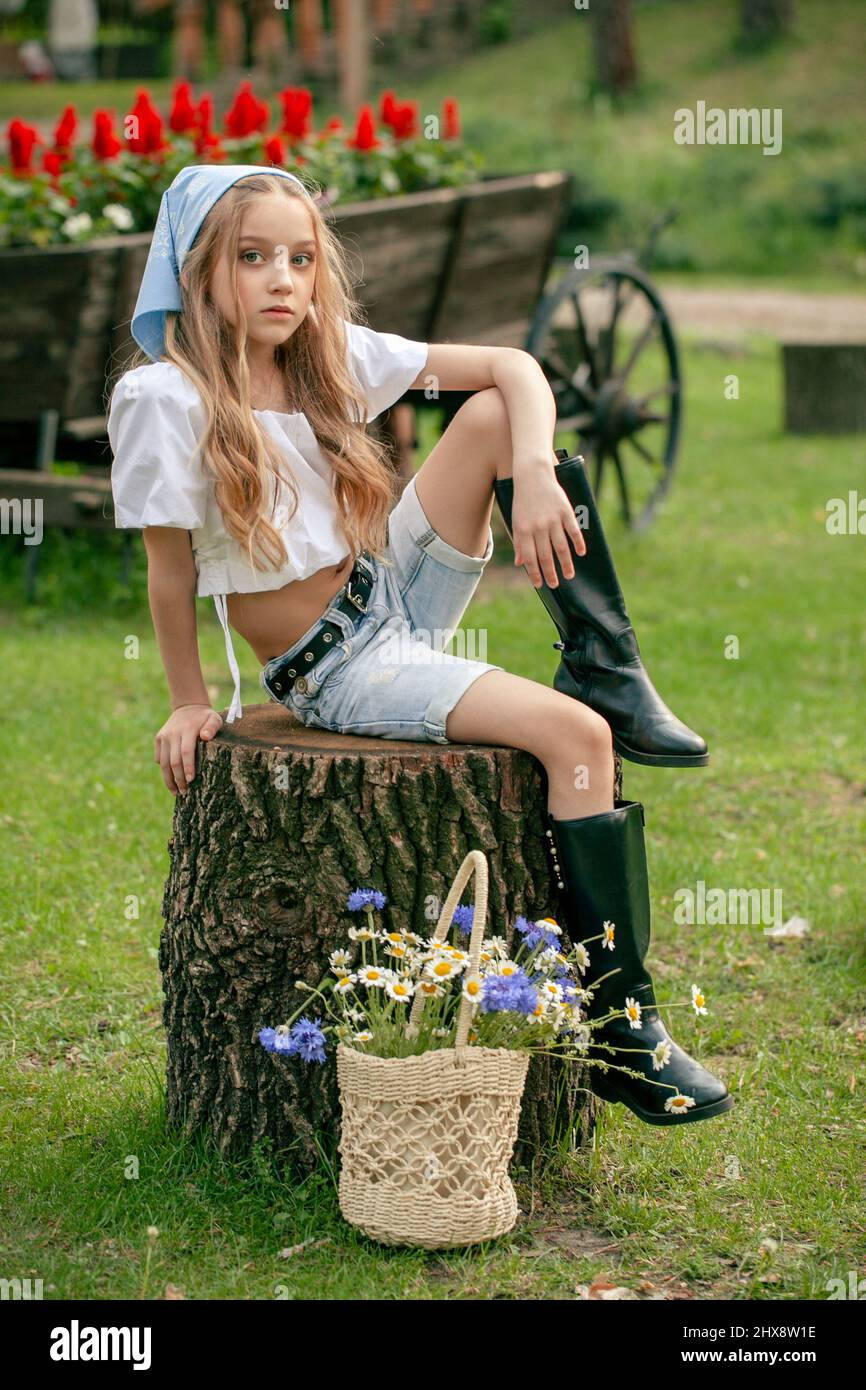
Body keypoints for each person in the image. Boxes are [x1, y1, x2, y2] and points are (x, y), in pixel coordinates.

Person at [107, 164, 733, 1127]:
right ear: (197, 274)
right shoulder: (167, 400)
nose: (283, 281)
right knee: (580, 742)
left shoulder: (327, 358)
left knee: (491, 418)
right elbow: (171, 572)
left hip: (390, 590)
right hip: (338, 665)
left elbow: (512, 370)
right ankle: (624, 1026)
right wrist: (191, 697)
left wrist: (530, 463)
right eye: (253, 258)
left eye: (302, 259)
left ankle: (607, 662)